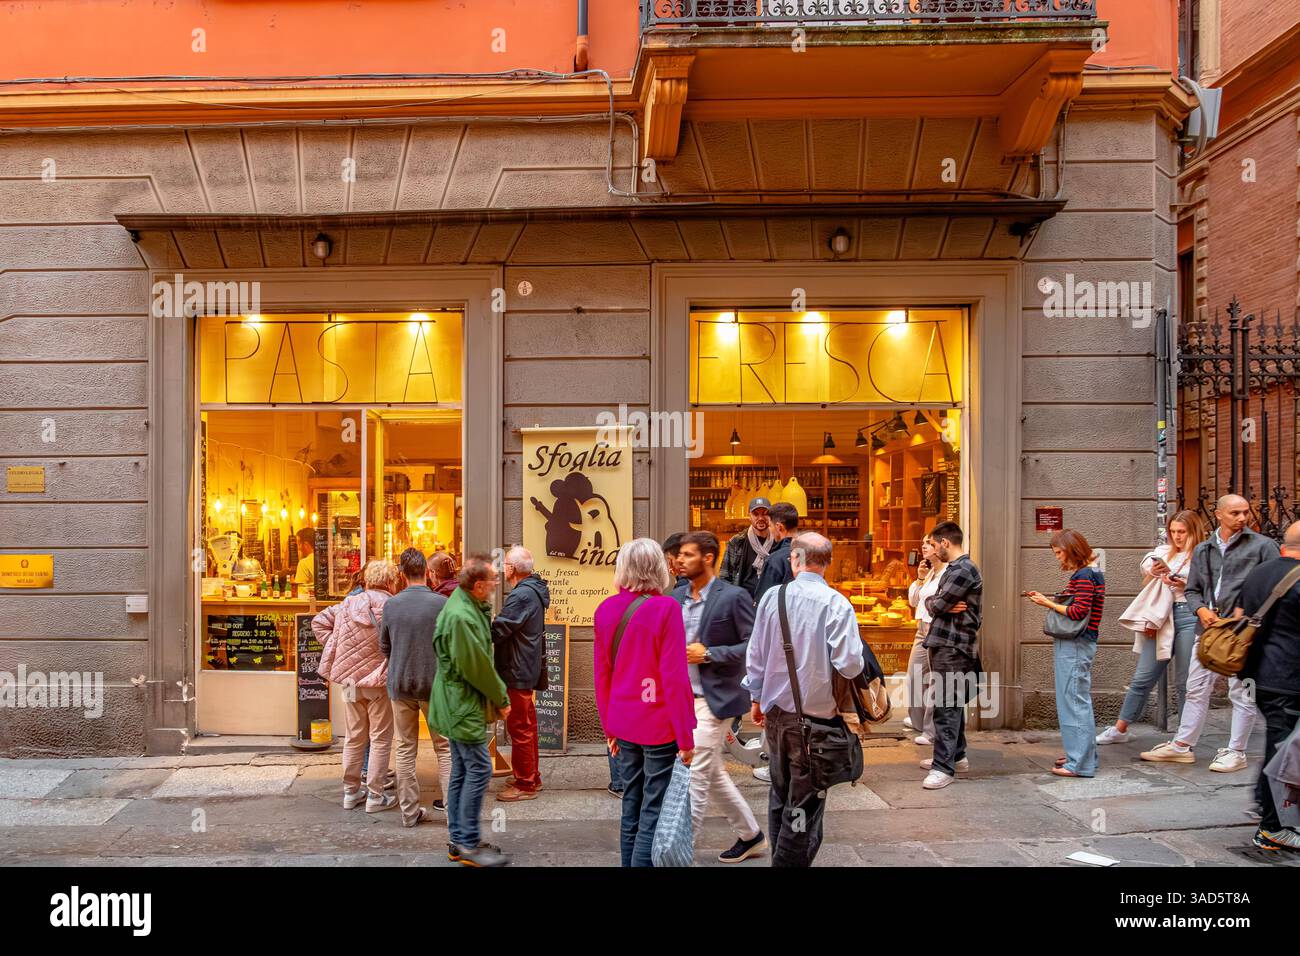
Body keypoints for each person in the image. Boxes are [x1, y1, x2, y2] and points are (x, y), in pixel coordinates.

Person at [746, 532, 864, 867]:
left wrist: (756, 697)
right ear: (827, 562)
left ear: (795, 559)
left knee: (780, 794)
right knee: (804, 804)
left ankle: (781, 858)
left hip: (776, 716)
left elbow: (755, 655)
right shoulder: (836, 603)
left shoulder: (772, 598)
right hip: (815, 722)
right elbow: (850, 664)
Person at [1141, 494, 1279, 771]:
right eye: (1235, 513)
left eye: (1245, 512)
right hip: (1209, 628)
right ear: (1219, 515)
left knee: (1241, 692)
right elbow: (1192, 590)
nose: (1242, 518)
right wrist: (1201, 610)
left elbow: (1275, 587)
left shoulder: (1264, 546)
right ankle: (1182, 746)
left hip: (1245, 631)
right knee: (1196, 688)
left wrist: (1247, 612)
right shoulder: (1205, 549)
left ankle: (1237, 751)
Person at [594, 538, 696, 867]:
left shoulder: (605, 610)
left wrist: (609, 728)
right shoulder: (666, 609)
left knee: (631, 805)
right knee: (653, 809)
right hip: (659, 725)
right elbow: (675, 677)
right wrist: (686, 736)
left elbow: (602, 676)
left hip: (623, 721)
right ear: (657, 568)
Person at [671, 531, 766, 863]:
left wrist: (710, 653)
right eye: (679, 555)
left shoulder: (734, 596)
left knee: (694, 772)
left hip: (714, 700)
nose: (680, 560)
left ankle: (679, 852)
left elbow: (753, 645)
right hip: (682, 699)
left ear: (708, 557)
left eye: (687, 555)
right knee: (712, 775)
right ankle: (751, 835)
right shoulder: (678, 595)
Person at [429, 554, 512, 867]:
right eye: (491, 580)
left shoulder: (466, 606)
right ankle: (466, 843)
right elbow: (476, 666)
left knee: (464, 769)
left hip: (456, 701)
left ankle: (461, 838)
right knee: (478, 768)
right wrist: (502, 699)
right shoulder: (462, 616)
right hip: (461, 704)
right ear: (478, 586)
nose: (495, 585)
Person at [1097, 511, 1204, 745]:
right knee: (1143, 677)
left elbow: (1211, 590)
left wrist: (1184, 584)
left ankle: (1184, 739)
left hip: (1190, 614)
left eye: (1182, 532)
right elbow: (1147, 570)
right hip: (1161, 616)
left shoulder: (1204, 554)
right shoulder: (1163, 552)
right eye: (1173, 531)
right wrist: (1153, 571)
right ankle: (1120, 729)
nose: (1176, 536)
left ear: (1193, 531)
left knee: (1186, 681)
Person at [1234, 521, 1300, 851]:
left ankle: (1264, 805)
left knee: (1279, 745)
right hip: (1288, 679)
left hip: (1257, 674)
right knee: (1282, 750)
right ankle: (1272, 827)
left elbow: (1237, 614)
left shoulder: (1260, 573)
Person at [314, 559, 398, 813]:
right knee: (380, 738)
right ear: (390, 581)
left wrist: (336, 646)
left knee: (354, 737)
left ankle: (351, 792)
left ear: (368, 579)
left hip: (349, 680)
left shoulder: (348, 603)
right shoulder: (392, 606)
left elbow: (319, 622)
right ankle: (375, 795)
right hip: (378, 681)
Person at [379, 547, 453, 826]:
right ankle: (452, 811)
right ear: (426, 572)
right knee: (444, 749)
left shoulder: (391, 605)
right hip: (435, 685)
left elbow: (384, 646)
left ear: (401, 574)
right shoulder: (441, 604)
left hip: (400, 684)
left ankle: (409, 813)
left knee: (406, 748)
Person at [1026, 529, 1105, 779]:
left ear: (1072, 549)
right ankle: (1082, 755)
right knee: (1078, 700)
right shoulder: (1093, 573)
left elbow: (1077, 612)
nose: (1058, 558)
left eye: (1059, 552)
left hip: (1075, 644)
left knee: (1072, 701)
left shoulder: (1083, 575)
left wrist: (1047, 603)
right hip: (1082, 643)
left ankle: (1079, 763)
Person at [921, 521, 982, 790]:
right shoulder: (956, 569)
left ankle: (942, 767)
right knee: (950, 702)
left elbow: (937, 604)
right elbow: (935, 601)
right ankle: (956, 757)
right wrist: (936, 602)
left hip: (953, 645)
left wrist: (936, 602)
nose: (933, 550)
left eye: (934, 545)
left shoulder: (963, 570)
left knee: (945, 706)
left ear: (945, 543)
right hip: (947, 643)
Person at [491, 545, 551, 802]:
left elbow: (501, 630)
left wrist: (481, 624)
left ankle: (525, 784)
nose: (503, 568)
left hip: (517, 667)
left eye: (505, 564)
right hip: (525, 665)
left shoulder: (521, 596)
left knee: (520, 727)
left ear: (512, 569)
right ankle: (530, 776)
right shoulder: (532, 590)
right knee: (527, 725)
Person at [905, 534, 943, 746]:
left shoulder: (946, 573)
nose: (924, 546)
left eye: (929, 543)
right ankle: (918, 721)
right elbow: (913, 601)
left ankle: (931, 730)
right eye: (923, 543)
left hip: (934, 628)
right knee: (915, 677)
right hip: (921, 629)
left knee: (935, 682)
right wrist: (920, 577)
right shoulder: (930, 573)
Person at [719, 498, 773, 599]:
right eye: (756, 514)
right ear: (749, 516)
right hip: (743, 601)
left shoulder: (778, 541)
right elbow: (724, 576)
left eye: (765, 514)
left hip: (771, 602)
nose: (760, 518)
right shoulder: (737, 541)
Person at [752, 501, 799, 606]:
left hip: (783, 620)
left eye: (770, 526)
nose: (770, 530)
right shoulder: (812, 554)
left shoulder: (776, 559)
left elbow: (763, 601)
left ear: (779, 527)